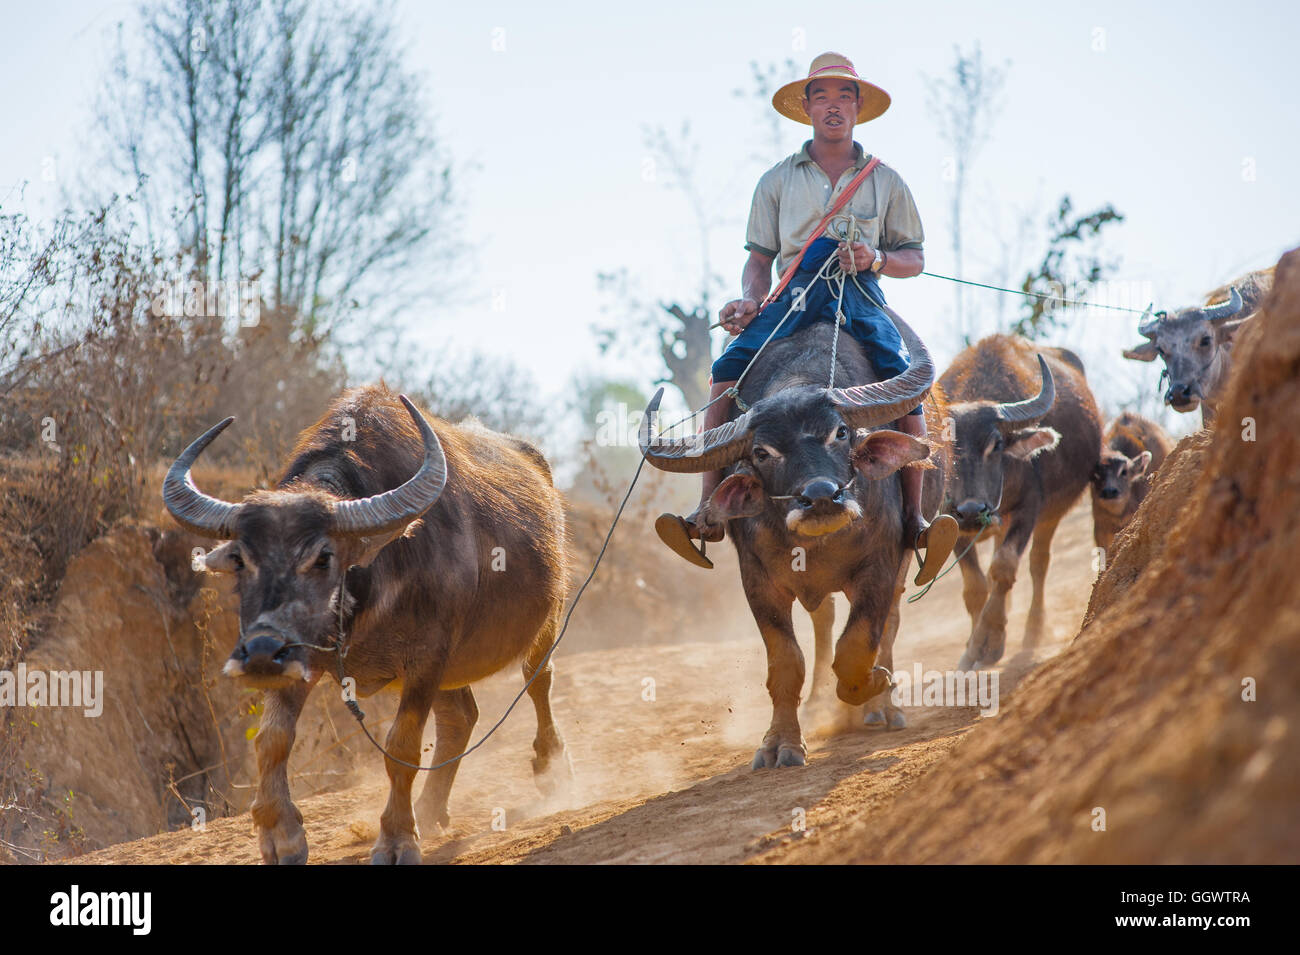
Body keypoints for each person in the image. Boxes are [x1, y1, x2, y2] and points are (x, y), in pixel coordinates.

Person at [661, 52, 957, 579]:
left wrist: (877, 258)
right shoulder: (776, 180)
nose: (834, 105)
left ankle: (914, 517)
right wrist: (750, 299)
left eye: (845, 95)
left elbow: (914, 258)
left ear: (859, 106)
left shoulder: (885, 181)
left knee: (903, 379)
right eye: (821, 95)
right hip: (791, 297)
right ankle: (708, 511)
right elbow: (759, 261)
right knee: (726, 373)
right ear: (807, 107)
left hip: (858, 292)